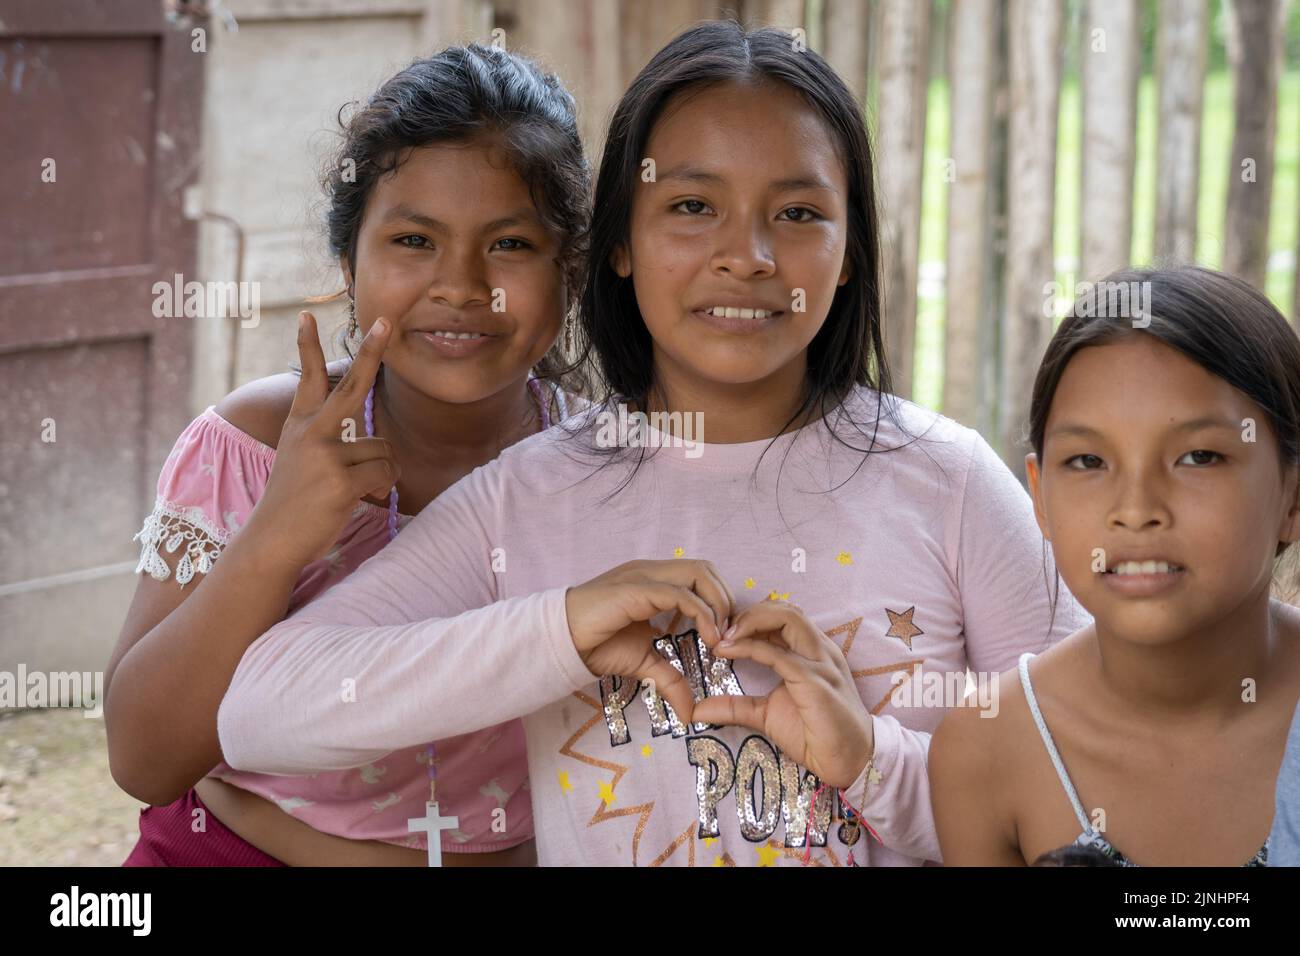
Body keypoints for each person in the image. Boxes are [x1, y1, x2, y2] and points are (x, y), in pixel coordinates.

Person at [105, 44, 588, 866]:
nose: (462, 285)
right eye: (413, 239)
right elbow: (145, 761)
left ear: (570, 270)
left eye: (510, 244)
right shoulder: (251, 448)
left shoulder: (601, 472)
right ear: (348, 266)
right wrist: (280, 531)